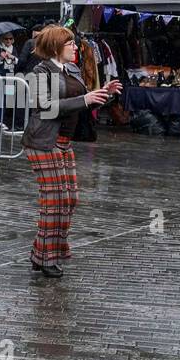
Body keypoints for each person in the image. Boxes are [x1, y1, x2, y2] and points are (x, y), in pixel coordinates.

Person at [22, 26, 120, 278]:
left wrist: (102, 95)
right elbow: (44, 106)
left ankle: (42, 252)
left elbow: (84, 100)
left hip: (65, 141)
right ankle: (46, 258)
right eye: (70, 44)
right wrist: (86, 100)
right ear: (56, 47)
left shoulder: (73, 69)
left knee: (69, 199)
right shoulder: (40, 71)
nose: (76, 47)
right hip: (43, 141)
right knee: (54, 201)